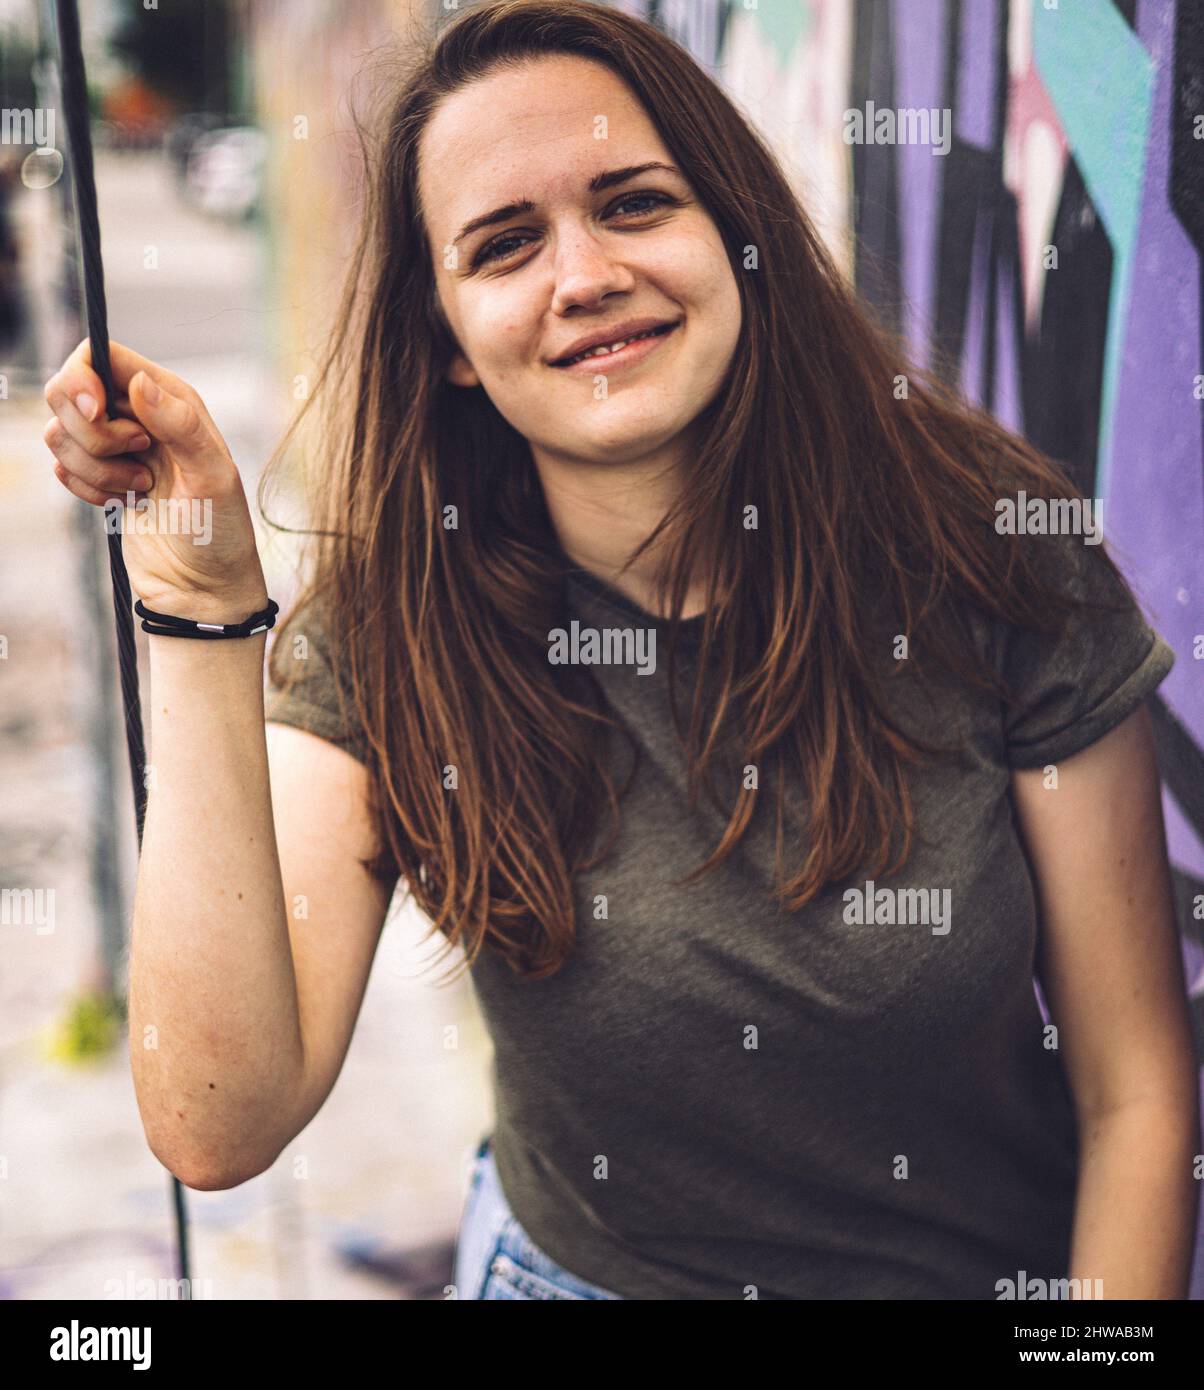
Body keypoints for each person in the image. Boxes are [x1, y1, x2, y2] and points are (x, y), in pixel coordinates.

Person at [42, 0, 1198, 1301]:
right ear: (451, 345)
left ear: (735, 235)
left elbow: (1138, 1099)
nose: (583, 274)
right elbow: (218, 1117)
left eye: (635, 203)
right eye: (504, 245)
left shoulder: (991, 554)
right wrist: (201, 606)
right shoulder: (397, 625)